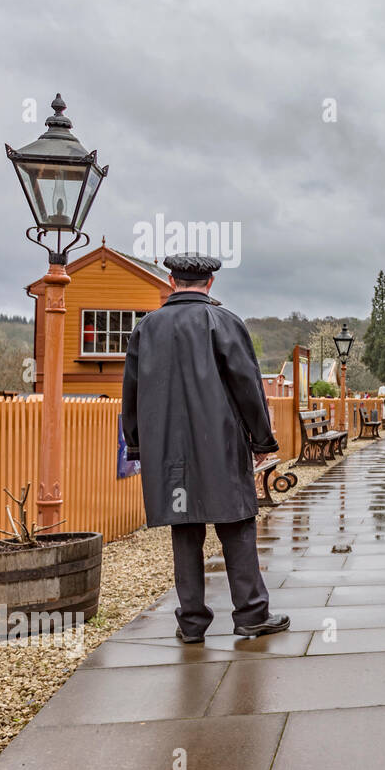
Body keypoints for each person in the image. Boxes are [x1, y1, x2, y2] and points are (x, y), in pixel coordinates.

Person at [122, 253, 290, 643]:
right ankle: (250, 614)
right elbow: (248, 388)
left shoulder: (146, 329)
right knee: (236, 526)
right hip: (222, 446)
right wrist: (262, 440)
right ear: (209, 283)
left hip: (168, 453)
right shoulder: (224, 322)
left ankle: (192, 623)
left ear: (171, 280)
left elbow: (130, 393)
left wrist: (136, 445)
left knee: (185, 530)